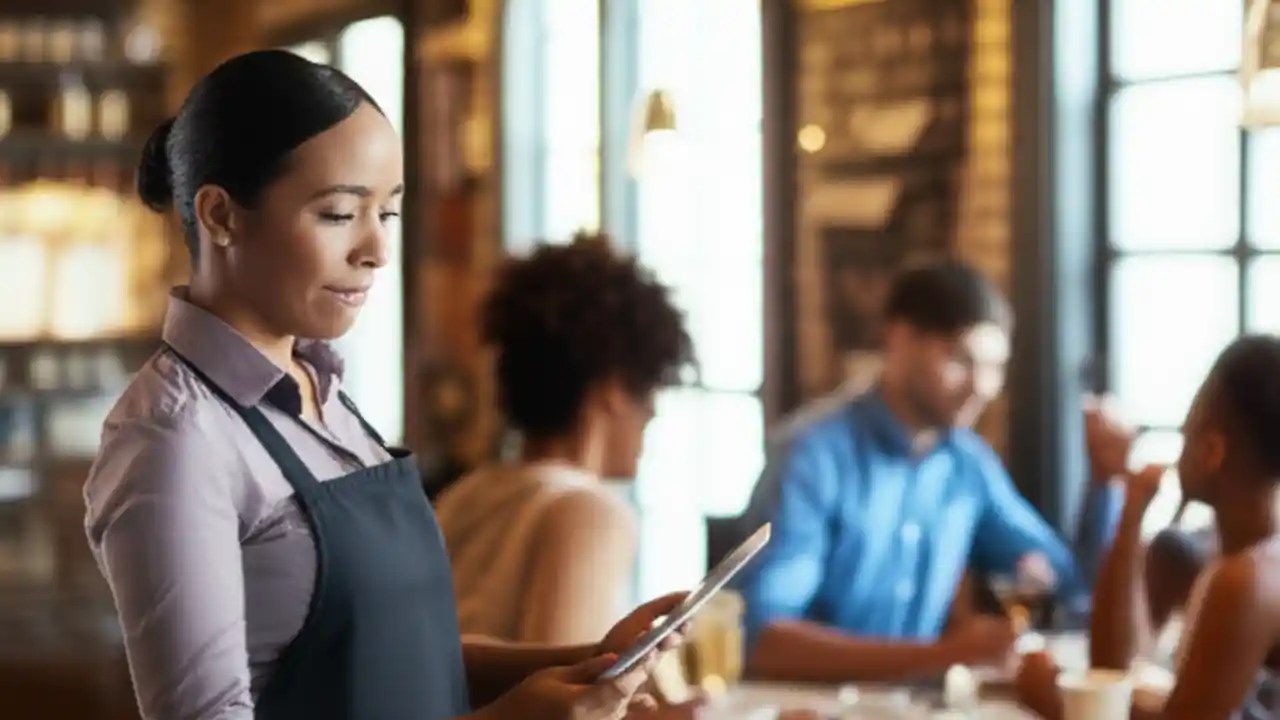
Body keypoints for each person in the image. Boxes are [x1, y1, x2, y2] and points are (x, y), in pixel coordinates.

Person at [83, 50, 682, 720]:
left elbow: (399, 660)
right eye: (340, 213)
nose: (376, 250)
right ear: (221, 216)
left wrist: (581, 660)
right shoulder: (176, 439)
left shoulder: (323, 394)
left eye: (388, 214)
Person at [737, 260, 1089, 683]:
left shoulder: (966, 463)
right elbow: (762, 640)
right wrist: (943, 654)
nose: (981, 386)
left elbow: (1060, 574)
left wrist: (1104, 488)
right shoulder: (813, 455)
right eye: (961, 358)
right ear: (900, 339)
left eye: (994, 367)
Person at [437, 235, 694, 645]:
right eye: (650, 389)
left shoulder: (464, 496)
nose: (654, 412)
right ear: (613, 388)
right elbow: (570, 699)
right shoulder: (589, 512)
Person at [1017, 335, 1280, 720]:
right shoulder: (1207, 556)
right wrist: (1131, 511)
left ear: (1212, 451)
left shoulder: (1250, 580)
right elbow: (1114, 667)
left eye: (1187, 428)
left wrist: (1057, 702)